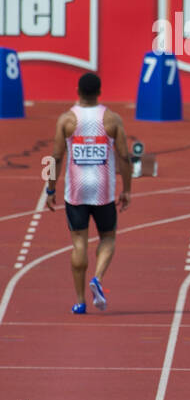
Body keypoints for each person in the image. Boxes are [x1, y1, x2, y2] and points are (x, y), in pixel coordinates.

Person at [47, 72, 132, 314]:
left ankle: (80, 301)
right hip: (103, 191)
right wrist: (127, 190)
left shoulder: (67, 119)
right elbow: (125, 157)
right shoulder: (112, 119)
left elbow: (55, 157)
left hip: (76, 191)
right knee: (108, 238)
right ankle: (98, 277)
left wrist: (50, 188)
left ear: (77, 90)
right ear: (100, 92)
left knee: (78, 244)